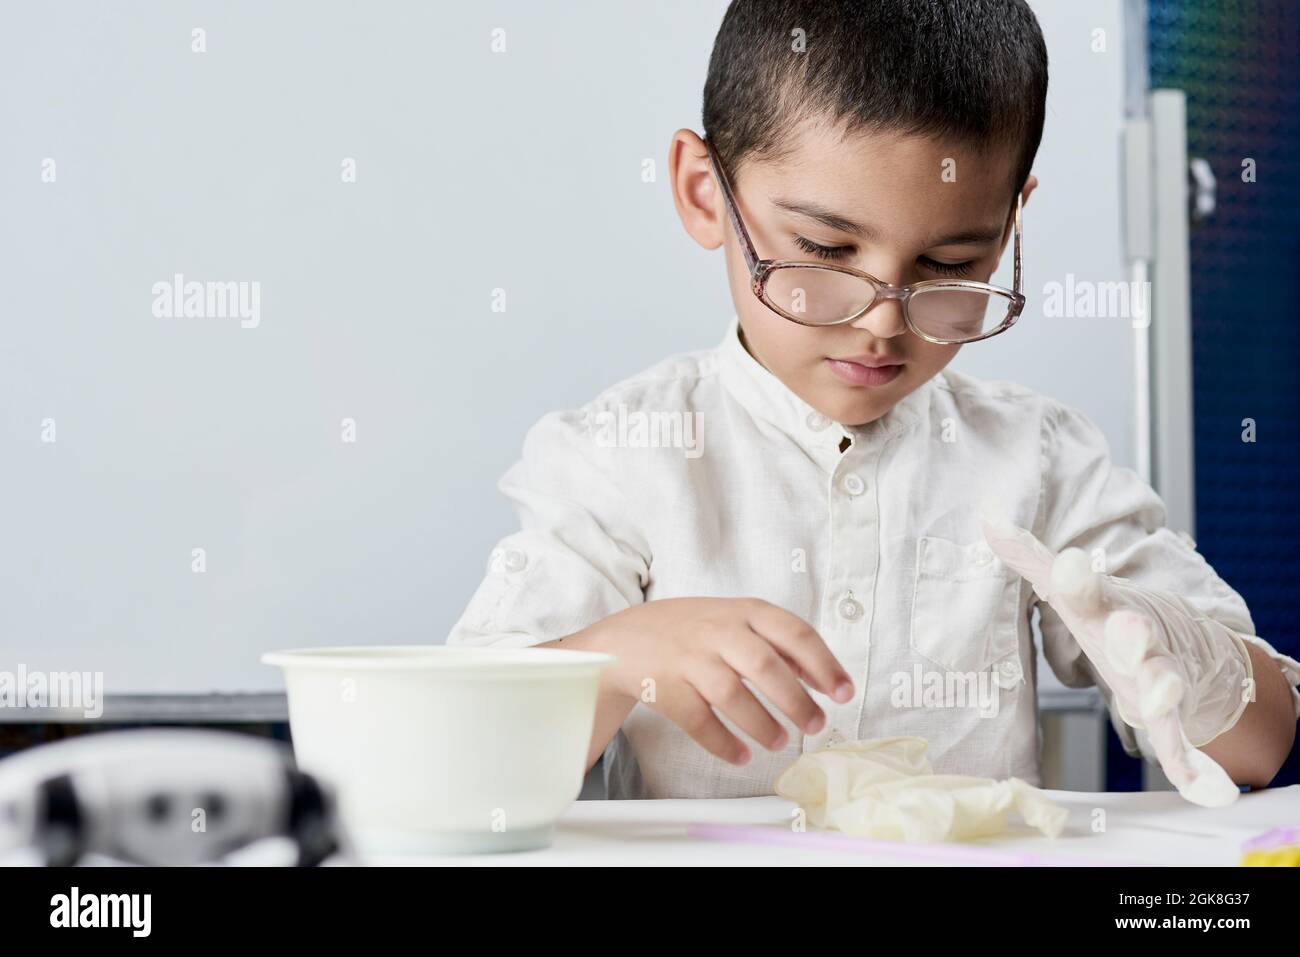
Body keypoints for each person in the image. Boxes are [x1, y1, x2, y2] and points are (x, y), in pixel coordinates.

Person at [448, 0, 1299, 803]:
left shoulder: (1039, 459)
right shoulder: (624, 454)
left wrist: (1172, 646)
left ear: (1010, 223)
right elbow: (460, 763)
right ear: (705, 192)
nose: (884, 324)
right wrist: (607, 660)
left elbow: (1262, 745)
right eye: (823, 248)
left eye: (949, 264)